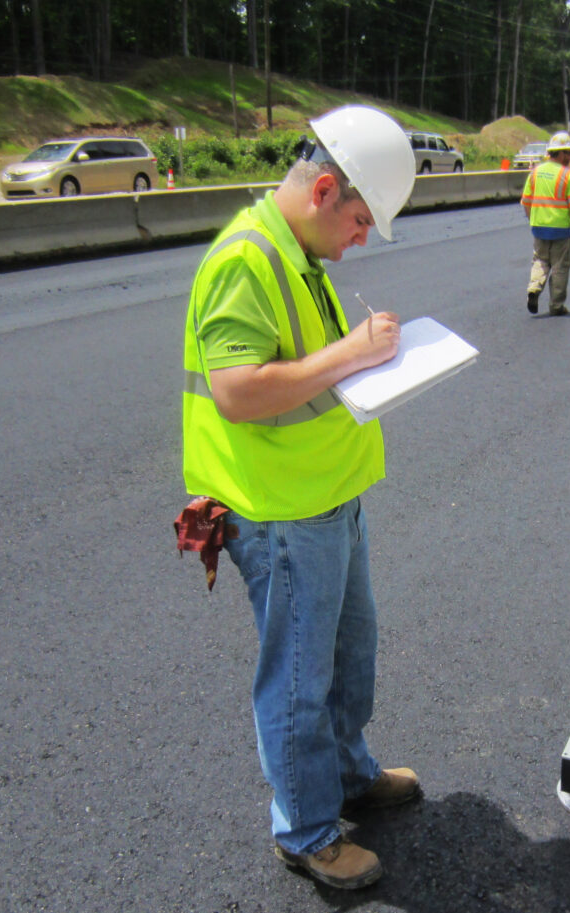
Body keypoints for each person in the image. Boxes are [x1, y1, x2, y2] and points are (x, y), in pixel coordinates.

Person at [178, 104, 422, 892]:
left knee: (351, 657)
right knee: (297, 677)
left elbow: (309, 372)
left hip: (328, 497)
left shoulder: (300, 253)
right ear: (323, 190)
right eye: (358, 221)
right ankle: (308, 829)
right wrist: (353, 351)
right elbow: (238, 390)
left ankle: (348, 772)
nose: (359, 240)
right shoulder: (244, 259)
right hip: (281, 512)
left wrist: (363, 355)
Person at [521, 132, 570, 316]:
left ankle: (534, 288)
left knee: (540, 260)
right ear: (561, 153)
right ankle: (556, 305)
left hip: (539, 227)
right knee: (559, 266)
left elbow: (526, 201)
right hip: (560, 230)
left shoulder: (535, 172)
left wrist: (533, 220)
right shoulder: (568, 176)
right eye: (569, 153)